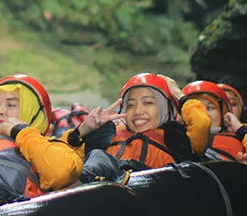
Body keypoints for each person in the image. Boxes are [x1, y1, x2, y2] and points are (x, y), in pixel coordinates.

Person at [0, 74, 83, 203]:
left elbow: (62, 173)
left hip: (7, 214)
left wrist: (21, 132)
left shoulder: (48, 147)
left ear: (34, 114)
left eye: (11, 105)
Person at [65, 72, 214, 181]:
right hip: (104, 187)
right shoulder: (107, 133)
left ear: (163, 108)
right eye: (130, 105)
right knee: (97, 156)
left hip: (153, 190)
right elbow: (64, 161)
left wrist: (177, 94)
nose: (137, 111)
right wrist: (83, 130)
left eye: (148, 103)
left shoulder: (177, 139)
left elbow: (202, 124)